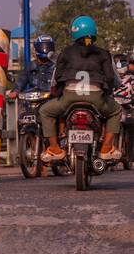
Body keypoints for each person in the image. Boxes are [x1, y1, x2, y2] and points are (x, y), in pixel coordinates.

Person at [40, 15, 123, 162]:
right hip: (97, 99)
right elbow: (111, 78)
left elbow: (57, 77)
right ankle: (106, 147)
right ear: (94, 32)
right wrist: (108, 91)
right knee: (116, 110)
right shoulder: (104, 53)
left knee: (45, 111)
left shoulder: (65, 52)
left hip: (69, 98)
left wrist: (58, 92)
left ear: (74, 33)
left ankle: (54, 148)